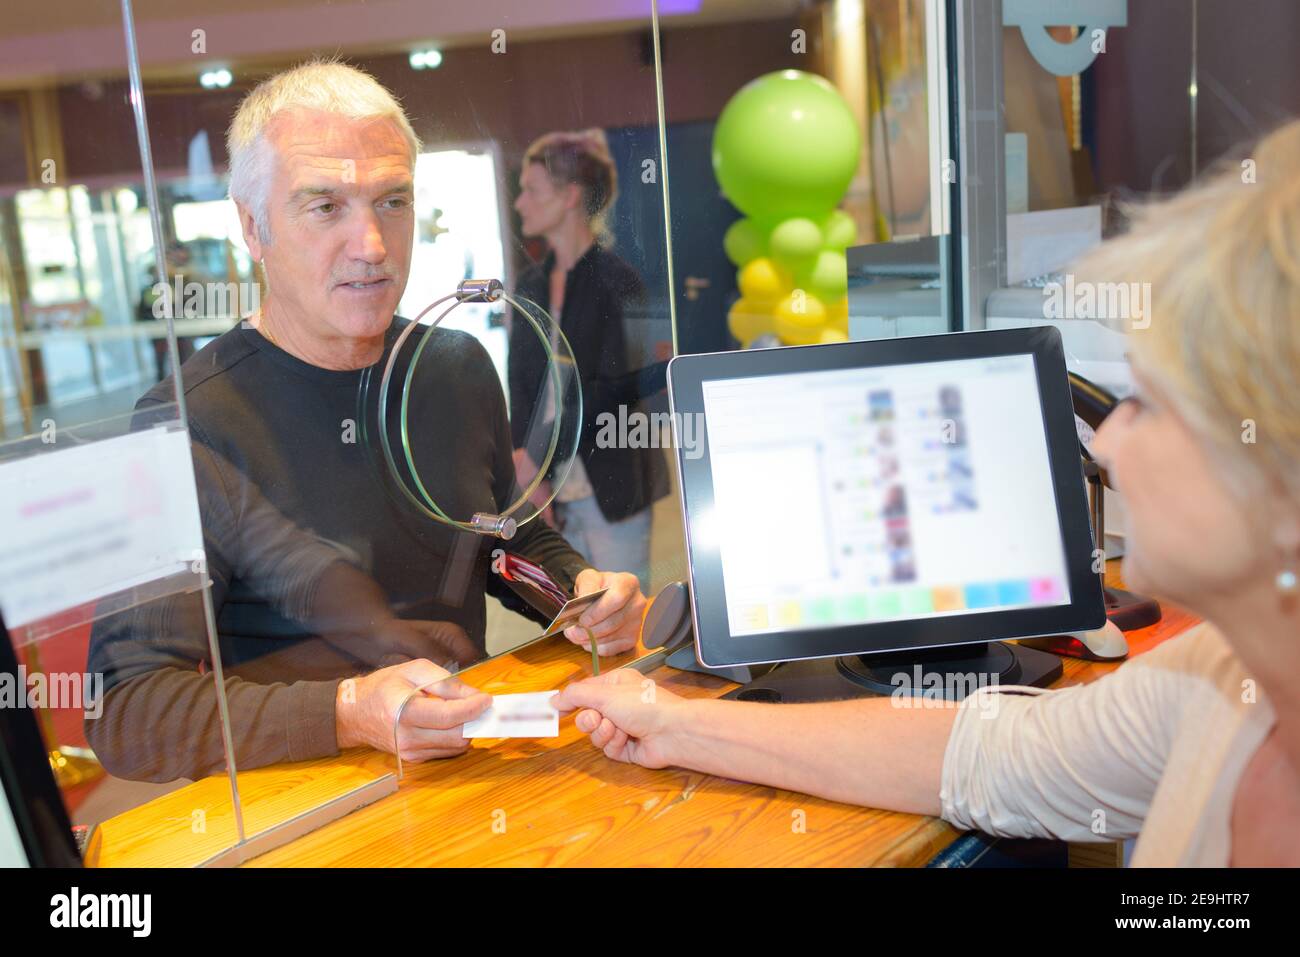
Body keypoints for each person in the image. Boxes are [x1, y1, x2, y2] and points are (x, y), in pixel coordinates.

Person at [555, 120, 1300, 867]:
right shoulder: (1216, 684)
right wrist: (673, 724)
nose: (1106, 443)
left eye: (1152, 403)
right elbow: (982, 756)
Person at [86, 59, 647, 783]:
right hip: (308, 809)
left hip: (466, 775)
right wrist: (348, 710)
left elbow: (496, 536)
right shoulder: (185, 422)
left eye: (392, 201)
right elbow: (128, 709)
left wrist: (576, 592)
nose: (373, 246)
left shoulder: (455, 364)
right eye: (326, 207)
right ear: (254, 227)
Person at [509, 129, 669, 593]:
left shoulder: (620, 282)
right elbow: (520, 384)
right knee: (566, 619)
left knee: (617, 609)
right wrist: (528, 467)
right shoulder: (530, 285)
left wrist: (540, 459)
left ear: (570, 196)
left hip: (611, 479)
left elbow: (610, 390)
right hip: (549, 483)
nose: (520, 203)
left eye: (531, 189)